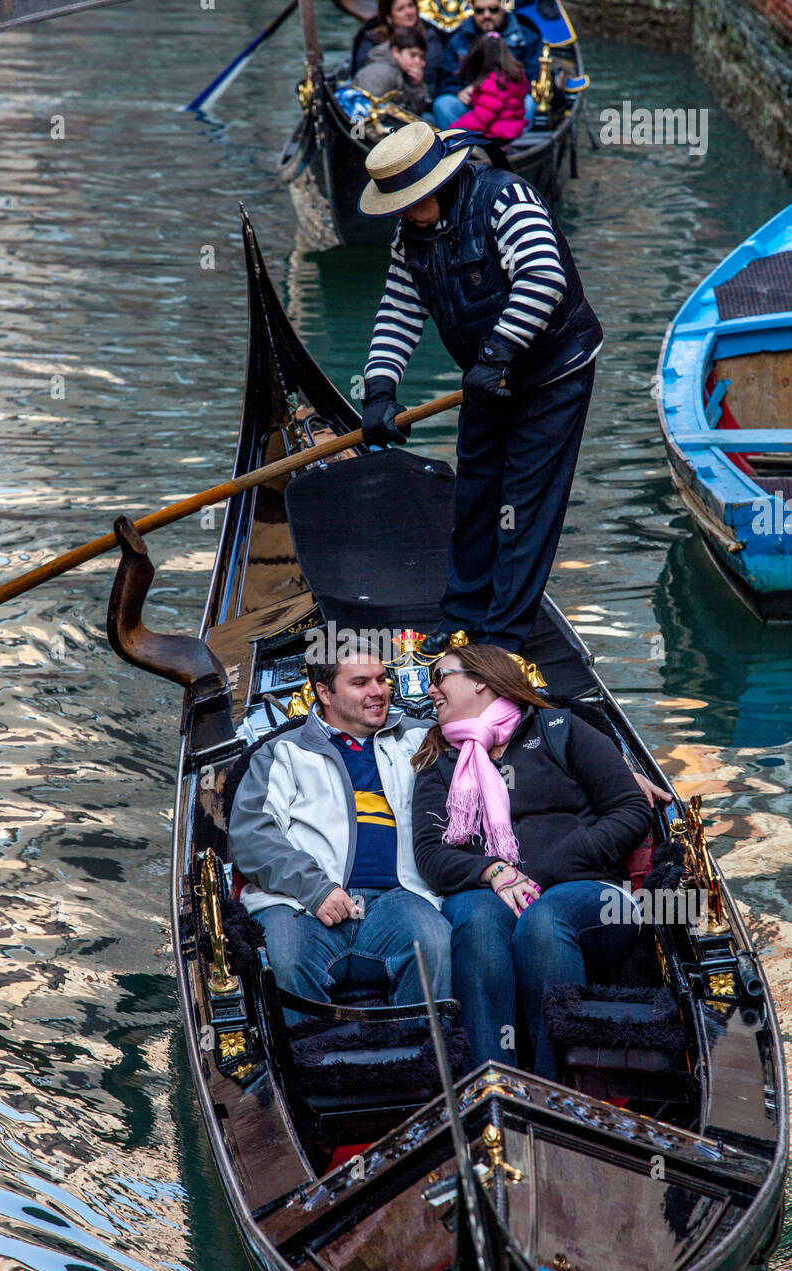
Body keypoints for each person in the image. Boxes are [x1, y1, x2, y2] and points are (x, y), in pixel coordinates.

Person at [358, 121, 603, 656]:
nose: (402, 211)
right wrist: (379, 390)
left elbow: (545, 276)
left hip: (552, 370)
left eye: (409, 199)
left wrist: (496, 355)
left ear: (436, 185)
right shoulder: (411, 235)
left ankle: (502, 642)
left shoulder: (504, 197)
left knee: (525, 505)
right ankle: (462, 619)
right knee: (475, 498)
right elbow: (399, 311)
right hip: (487, 381)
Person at [411, 644, 654, 1079]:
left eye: (440, 676)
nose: (430, 690)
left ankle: (557, 1089)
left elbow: (631, 809)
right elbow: (431, 854)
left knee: (545, 918)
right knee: (476, 920)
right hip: (490, 892)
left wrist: (544, 871)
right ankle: (492, 1086)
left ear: (480, 680)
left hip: (588, 891)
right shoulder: (439, 760)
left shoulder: (561, 728)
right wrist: (493, 870)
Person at [228, 641, 451, 1018]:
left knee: (431, 941)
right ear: (324, 693)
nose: (378, 691)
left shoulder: (421, 739)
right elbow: (253, 838)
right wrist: (315, 889)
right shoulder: (281, 752)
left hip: (398, 899)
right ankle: (304, 1067)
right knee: (282, 956)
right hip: (300, 905)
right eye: (361, 682)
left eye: (382, 679)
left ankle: (421, 1062)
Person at [432, 0, 541, 130]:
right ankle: (462, 147)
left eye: (493, 9)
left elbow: (534, 80)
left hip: (508, 106)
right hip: (471, 107)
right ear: (472, 9)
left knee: (528, 102)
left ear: (504, 7)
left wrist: (503, 93)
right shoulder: (459, 40)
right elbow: (446, 82)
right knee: (444, 104)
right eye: (480, 11)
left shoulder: (527, 38)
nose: (487, 15)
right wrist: (459, 92)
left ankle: (512, 148)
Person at [446, 31, 529, 145]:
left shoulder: (494, 83)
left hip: (498, 135)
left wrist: (451, 132)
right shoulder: (515, 75)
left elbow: (481, 120)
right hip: (511, 129)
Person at [352, 0, 446, 97]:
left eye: (410, 6)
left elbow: (431, 75)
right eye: (400, 9)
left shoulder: (430, 36)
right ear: (389, 17)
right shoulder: (372, 38)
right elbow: (362, 69)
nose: (408, 12)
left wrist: (416, 83)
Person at [355, 24, 429, 118]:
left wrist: (416, 86)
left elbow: (414, 113)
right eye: (412, 55)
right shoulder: (379, 73)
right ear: (396, 52)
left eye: (421, 57)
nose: (418, 62)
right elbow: (367, 110)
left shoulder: (407, 74)